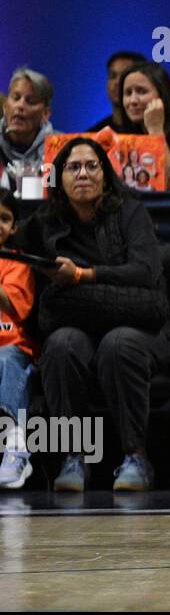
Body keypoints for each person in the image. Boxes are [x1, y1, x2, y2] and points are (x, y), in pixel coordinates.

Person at [15, 137, 170, 491]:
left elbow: (146, 272)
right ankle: (74, 456)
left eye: (91, 165)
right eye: (73, 167)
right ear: (59, 178)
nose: (82, 173)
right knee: (60, 345)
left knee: (118, 345)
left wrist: (84, 277)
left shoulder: (130, 212)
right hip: (80, 328)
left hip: (139, 326)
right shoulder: (45, 223)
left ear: (105, 174)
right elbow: (14, 245)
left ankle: (136, 457)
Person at [0, 189, 37, 487]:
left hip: (13, 349)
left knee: (7, 360)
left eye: (4, 219)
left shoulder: (17, 262)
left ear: (14, 227)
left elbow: (14, 305)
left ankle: (16, 445)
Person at [0, 69, 58, 192]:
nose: (20, 106)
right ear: (5, 107)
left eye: (30, 101)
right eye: (16, 98)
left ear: (46, 113)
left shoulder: (59, 149)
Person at [89, 51, 147, 132]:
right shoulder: (95, 135)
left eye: (125, 75)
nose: (117, 82)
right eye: (113, 76)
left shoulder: (157, 131)